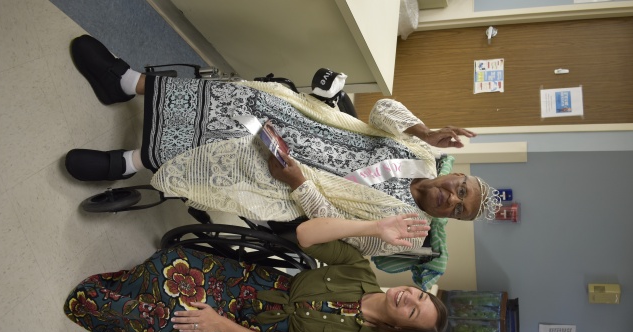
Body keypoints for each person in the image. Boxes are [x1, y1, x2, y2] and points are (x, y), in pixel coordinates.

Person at [64, 35, 502, 256]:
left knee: (239, 152)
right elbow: (383, 111)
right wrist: (421, 130)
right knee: (245, 98)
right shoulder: (423, 153)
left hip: (293, 179)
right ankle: (125, 82)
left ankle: (130, 163)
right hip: (307, 122)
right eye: (461, 188)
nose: (452, 198)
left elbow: (336, 229)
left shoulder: (403, 234)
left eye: (459, 208)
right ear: (456, 173)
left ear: (452, 218)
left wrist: (297, 183)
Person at [64, 214, 449, 332]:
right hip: (257, 286)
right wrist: (375, 227)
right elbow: (305, 236)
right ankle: (129, 297)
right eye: (419, 297)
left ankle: (103, 310)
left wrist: (219, 323)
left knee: (176, 323)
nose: (408, 299)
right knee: (172, 263)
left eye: (415, 312)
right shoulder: (360, 270)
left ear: (403, 329)